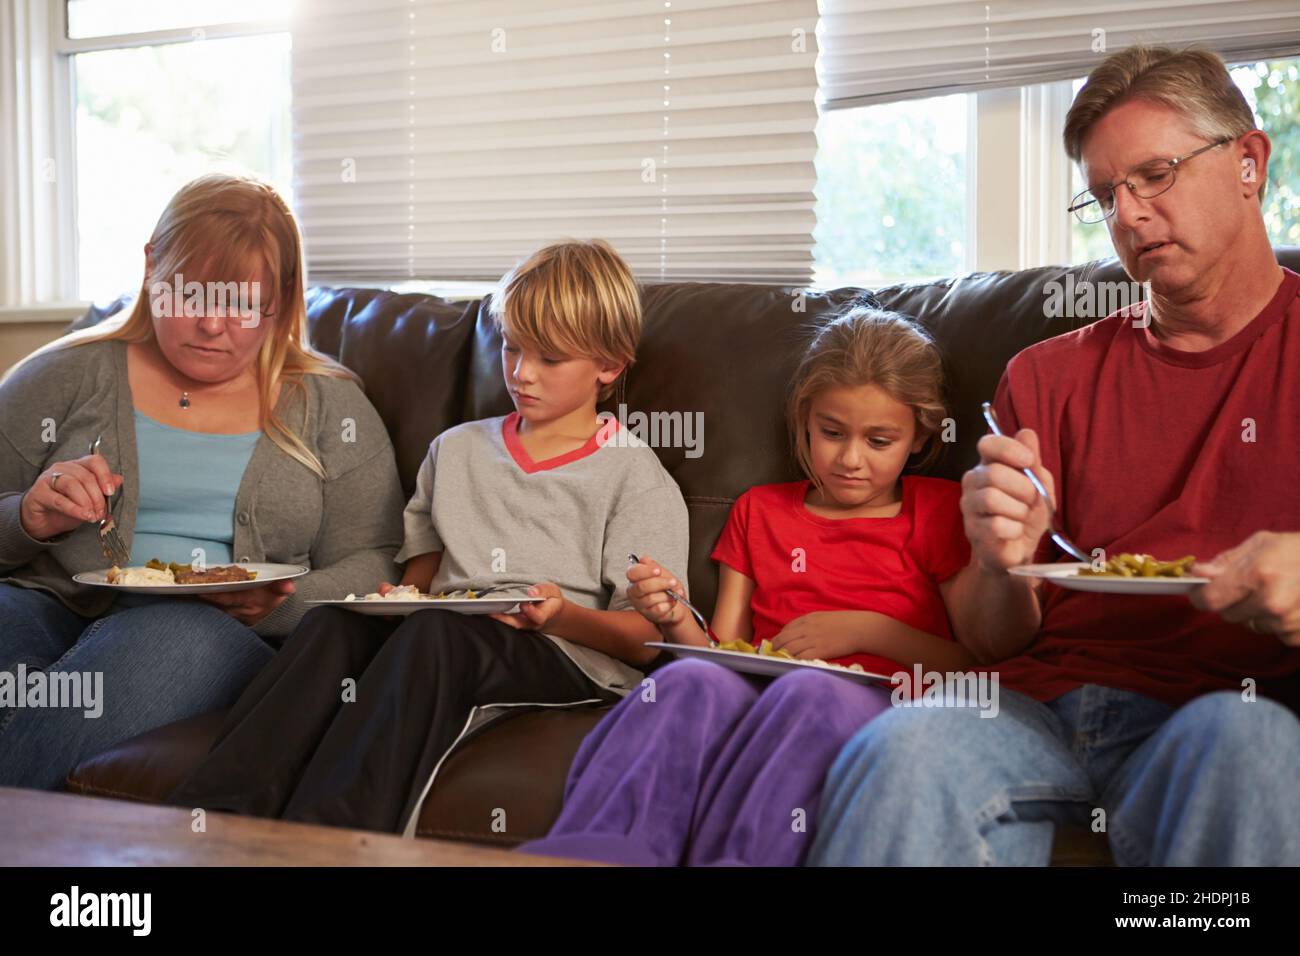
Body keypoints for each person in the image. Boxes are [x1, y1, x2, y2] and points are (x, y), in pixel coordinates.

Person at [810, 45, 1300, 867]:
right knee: (905, 748)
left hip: (1220, 709)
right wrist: (1000, 561)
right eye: (1107, 194)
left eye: (1155, 174)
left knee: (1247, 740)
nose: (1131, 216)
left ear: (1248, 161)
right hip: (1037, 707)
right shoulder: (1046, 375)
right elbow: (996, 640)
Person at [167, 239, 691, 835]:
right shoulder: (457, 449)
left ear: (609, 365)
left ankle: (329, 839)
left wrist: (558, 616)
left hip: (566, 652)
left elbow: (648, 642)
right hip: (447, 624)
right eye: (512, 348)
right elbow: (424, 577)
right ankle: (208, 823)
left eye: (549, 359)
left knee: (436, 637)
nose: (521, 373)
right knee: (333, 624)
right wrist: (397, 600)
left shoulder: (634, 475)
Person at [520, 307, 978, 866]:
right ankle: (595, 855)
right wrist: (671, 618)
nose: (850, 459)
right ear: (804, 417)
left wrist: (868, 631)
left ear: (920, 435)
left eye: (879, 441)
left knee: (808, 692)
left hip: (883, 701)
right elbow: (723, 654)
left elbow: (975, 663)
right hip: (761, 692)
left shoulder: (939, 511)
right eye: (831, 433)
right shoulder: (759, 511)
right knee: (689, 680)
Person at [0, 174, 404, 790]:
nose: (213, 326)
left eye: (241, 304)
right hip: (42, 603)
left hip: (206, 631)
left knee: (170, 640)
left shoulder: (331, 406)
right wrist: (29, 516)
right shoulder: (61, 376)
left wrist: (282, 604)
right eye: (191, 297)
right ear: (151, 268)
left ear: (281, 298)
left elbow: (375, 563)